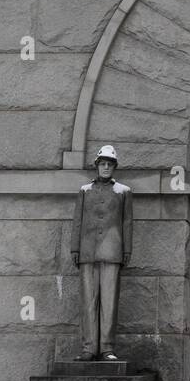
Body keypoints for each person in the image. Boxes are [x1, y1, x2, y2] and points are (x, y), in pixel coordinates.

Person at [70, 144, 133, 361]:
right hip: (88, 252)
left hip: (113, 251)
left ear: (114, 167)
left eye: (109, 164)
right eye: (103, 164)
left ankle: (107, 347)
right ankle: (89, 347)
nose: (106, 168)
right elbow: (77, 221)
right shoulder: (84, 191)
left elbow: (127, 223)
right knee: (88, 301)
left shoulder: (124, 192)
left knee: (109, 301)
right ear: (97, 166)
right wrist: (75, 248)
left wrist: (127, 250)